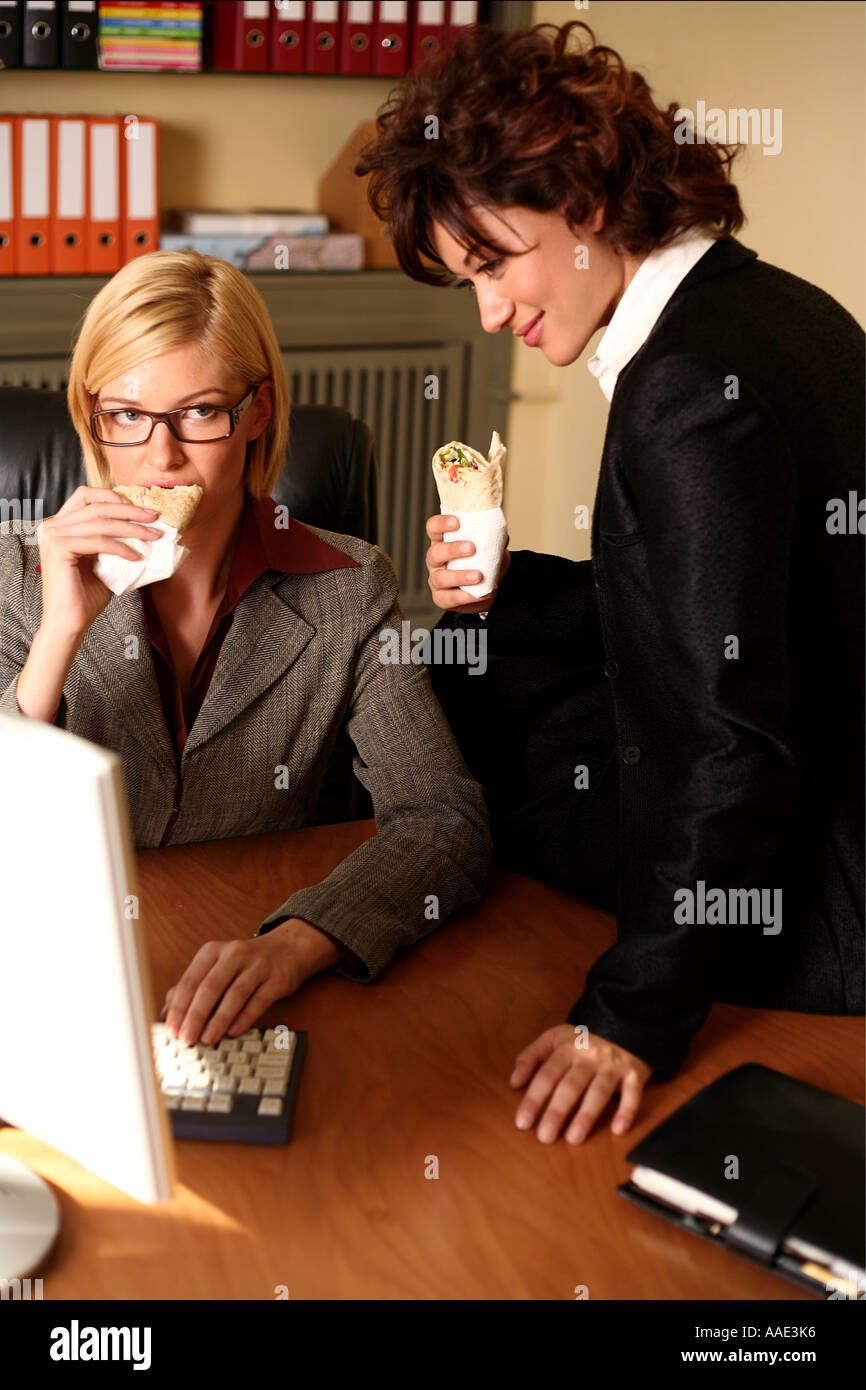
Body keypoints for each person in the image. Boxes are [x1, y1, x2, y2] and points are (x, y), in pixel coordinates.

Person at [355, 20, 865, 1144]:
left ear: (582, 202)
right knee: (469, 649)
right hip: (828, 778)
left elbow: (733, 740)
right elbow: (720, 608)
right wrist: (504, 591)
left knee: (459, 702)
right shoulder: (776, 305)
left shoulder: (679, 390)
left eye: (491, 264)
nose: (488, 311)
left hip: (816, 898)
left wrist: (625, 1016)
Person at [0, 249, 492, 1046]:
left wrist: (299, 942)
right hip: (62, 974)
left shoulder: (350, 585)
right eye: (125, 415)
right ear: (90, 415)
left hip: (250, 961)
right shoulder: (17, 574)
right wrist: (60, 633)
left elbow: (443, 819)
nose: (160, 459)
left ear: (258, 411)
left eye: (198, 412)